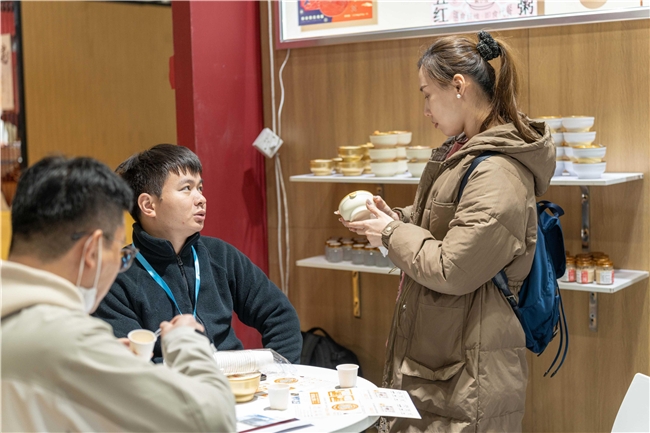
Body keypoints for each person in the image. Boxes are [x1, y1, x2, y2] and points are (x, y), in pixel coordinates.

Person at [341, 31, 554, 432]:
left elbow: (453, 266)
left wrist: (391, 233)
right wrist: (396, 221)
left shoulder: (498, 171)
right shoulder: (463, 154)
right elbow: (442, 228)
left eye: (426, 93)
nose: (425, 109)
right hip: (446, 367)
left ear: (459, 86)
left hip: (469, 379)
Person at [1, 156, 236, 432]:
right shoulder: (66, 340)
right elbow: (213, 421)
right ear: (92, 252)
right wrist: (187, 343)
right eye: (120, 258)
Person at [94, 144, 302, 364]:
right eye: (186, 188)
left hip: (239, 382)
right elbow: (132, 362)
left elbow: (280, 315)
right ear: (148, 205)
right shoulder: (116, 273)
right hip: (173, 391)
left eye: (200, 188)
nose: (201, 198)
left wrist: (281, 374)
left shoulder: (219, 254)